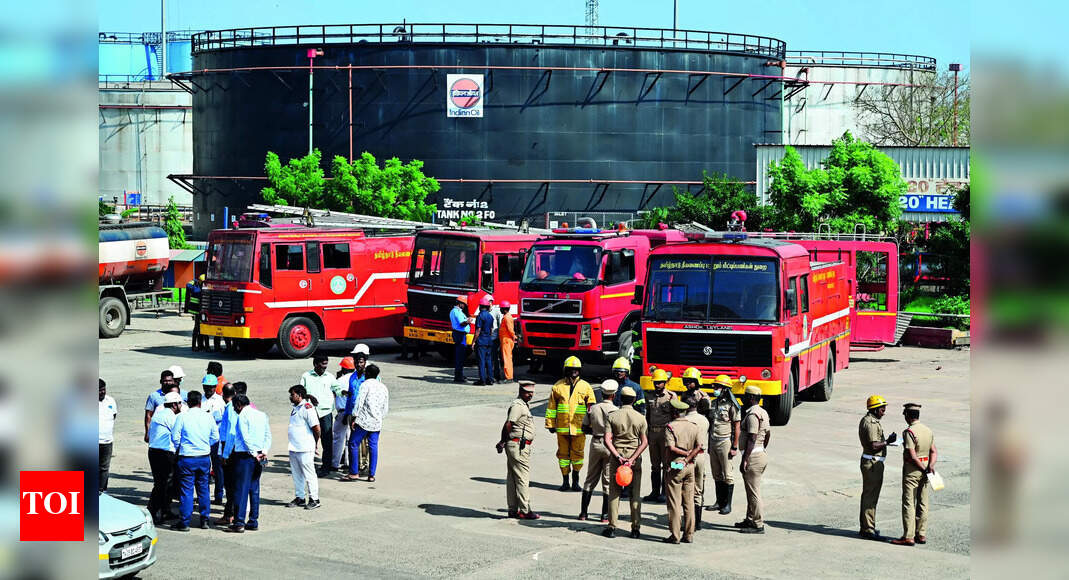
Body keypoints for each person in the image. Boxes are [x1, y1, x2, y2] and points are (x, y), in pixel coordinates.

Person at [603, 386, 649, 539]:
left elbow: (607, 440)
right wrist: (632, 458)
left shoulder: (612, 416)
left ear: (620, 399)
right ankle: (635, 528)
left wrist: (618, 456)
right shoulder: (640, 418)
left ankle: (611, 527)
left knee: (614, 493)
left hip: (617, 459)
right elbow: (644, 442)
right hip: (633, 459)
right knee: (635, 494)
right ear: (634, 400)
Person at [170, 391, 220, 531]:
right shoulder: (208, 417)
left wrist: (182, 447)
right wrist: (205, 445)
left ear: (188, 402)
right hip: (204, 457)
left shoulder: (182, 417)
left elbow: (175, 437)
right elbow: (215, 437)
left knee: (186, 490)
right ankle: (204, 519)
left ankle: (184, 521)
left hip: (187, 457)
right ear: (200, 402)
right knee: (203, 488)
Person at [545, 356, 596, 492]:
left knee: (578, 456)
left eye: (576, 369)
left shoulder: (586, 387)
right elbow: (551, 407)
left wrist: (591, 426)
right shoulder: (558, 386)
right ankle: (565, 481)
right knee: (563, 455)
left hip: (579, 428)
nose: (574, 371)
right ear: (566, 370)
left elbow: (592, 409)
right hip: (562, 428)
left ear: (579, 370)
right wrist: (550, 424)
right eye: (571, 369)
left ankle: (576, 481)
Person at [891, 403, 938, 546]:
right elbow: (934, 451)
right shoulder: (928, 430)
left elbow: (912, 455)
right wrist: (930, 466)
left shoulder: (909, 432)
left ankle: (908, 536)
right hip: (926, 469)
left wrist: (922, 468)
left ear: (907, 416)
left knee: (909, 503)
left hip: (913, 470)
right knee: (923, 502)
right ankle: (921, 534)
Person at [225, 394, 271, 533]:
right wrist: (263, 451)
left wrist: (253, 453)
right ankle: (253, 520)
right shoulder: (262, 415)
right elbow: (267, 435)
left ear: (239, 405)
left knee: (241, 489)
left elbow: (245, 437)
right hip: (259, 453)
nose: (234, 410)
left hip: (245, 456)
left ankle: (239, 522)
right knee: (254, 488)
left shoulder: (242, 416)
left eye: (234, 407)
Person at [496, 381, 539, 520]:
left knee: (513, 478)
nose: (530, 395)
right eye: (528, 392)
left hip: (516, 445)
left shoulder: (522, 405)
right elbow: (509, 424)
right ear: (521, 391)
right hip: (518, 446)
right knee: (522, 478)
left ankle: (513, 509)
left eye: (532, 392)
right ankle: (525, 510)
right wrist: (502, 441)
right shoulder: (518, 406)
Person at [579, 379, 619, 521]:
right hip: (610, 446)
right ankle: (604, 515)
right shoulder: (616, 411)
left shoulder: (592, 409)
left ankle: (583, 513)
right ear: (613, 395)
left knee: (590, 478)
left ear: (601, 393)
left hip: (596, 443)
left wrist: (596, 431)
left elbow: (584, 428)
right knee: (607, 481)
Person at [664, 398, 702, 543]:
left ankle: (675, 536)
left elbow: (671, 448)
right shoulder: (694, 426)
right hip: (690, 465)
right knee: (689, 503)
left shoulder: (671, 427)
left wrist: (669, 464)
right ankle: (689, 534)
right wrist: (689, 457)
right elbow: (699, 446)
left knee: (674, 503)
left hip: (676, 465)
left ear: (674, 412)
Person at [342, 364, 389, 483]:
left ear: (367, 374)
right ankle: (371, 475)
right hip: (376, 422)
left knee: (353, 443)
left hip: (363, 421)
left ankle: (354, 473)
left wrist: (354, 417)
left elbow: (359, 402)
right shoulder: (383, 387)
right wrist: (379, 417)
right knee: (373, 446)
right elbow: (385, 407)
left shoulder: (365, 385)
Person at [859, 395, 897, 540]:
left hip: (873, 462)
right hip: (873, 464)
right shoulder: (871, 423)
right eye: (882, 409)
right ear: (874, 409)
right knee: (870, 496)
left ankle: (867, 526)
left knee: (870, 495)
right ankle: (868, 529)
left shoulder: (870, 420)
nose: (884, 412)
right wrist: (888, 441)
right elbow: (873, 445)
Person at [737, 385, 771, 534]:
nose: (743, 398)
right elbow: (768, 434)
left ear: (750, 398)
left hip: (753, 457)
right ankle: (750, 519)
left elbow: (752, 437)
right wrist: (762, 448)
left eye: (745, 396)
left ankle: (758, 524)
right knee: (750, 490)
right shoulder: (762, 412)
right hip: (759, 453)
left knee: (754, 492)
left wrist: (745, 458)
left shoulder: (752, 415)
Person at [706, 374, 741, 515]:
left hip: (725, 441)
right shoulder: (714, 403)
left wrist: (734, 446)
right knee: (716, 474)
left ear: (725, 389)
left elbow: (736, 426)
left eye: (717, 387)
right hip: (713, 441)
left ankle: (727, 504)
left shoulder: (732, 405)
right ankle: (719, 501)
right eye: (715, 386)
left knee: (728, 474)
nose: (715, 389)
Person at [147, 391, 182, 523]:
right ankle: (152, 510)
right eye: (179, 403)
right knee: (162, 484)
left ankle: (165, 510)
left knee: (165, 484)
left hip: (155, 451)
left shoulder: (160, 414)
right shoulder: (171, 417)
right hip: (164, 453)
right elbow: (177, 434)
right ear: (174, 404)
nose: (180, 406)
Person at [286, 385, 322, 510]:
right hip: (294, 447)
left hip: (305, 447)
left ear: (299, 395)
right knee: (297, 474)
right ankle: (300, 497)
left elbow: (316, 428)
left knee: (309, 474)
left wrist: (315, 443)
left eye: (293, 394)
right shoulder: (296, 408)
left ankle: (314, 498)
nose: (291, 397)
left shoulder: (308, 408)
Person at [300, 354, 335, 476]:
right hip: (310, 413)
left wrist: (344, 392)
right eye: (322, 365)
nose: (324, 367)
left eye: (326, 365)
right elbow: (300, 392)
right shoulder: (306, 376)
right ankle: (307, 466)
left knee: (327, 440)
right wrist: (309, 396)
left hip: (325, 413)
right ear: (315, 364)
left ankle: (326, 467)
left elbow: (338, 389)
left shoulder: (330, 377)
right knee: (309, 440)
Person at [644, 368, 675, 503]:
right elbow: (648, 415)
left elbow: (675, 416)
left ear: (665, 382)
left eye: (659, 382)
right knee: (654, 465)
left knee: (666, 464)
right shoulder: (649, 396)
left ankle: (664, 492)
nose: (657, 385)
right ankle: (654, 492)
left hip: (665, 433)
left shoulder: (671, 396)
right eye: (655, 382)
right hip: (653, 433)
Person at [343, 346, 372, 476]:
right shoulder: (352, 377)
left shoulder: (369, 377)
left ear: (365, 362)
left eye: (361, 362)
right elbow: (350, 396)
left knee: (365, 441)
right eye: (356, 362)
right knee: (354, 441)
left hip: (364, 414)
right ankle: (357, 464)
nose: (358, 364)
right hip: (352, 413)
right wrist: (347, 414)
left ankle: (365, 466)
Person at [685, 397, 711, 532]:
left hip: (687, 458)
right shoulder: (705, 420)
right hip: (701, 457)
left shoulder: (685, 421)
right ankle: (698, 522)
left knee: (686, 488)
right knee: (698, 489)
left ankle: (689, 521)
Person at [201, 375, 227, 505]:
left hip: (216, 440)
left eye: (212, 387)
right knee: (204, 469)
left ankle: (218, 495)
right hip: (202, 439)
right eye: (207, 387)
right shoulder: (200, 400)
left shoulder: (220, 401)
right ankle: (204, 496)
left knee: (218, 469)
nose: (209, 389)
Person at [331, 356, 356, 473]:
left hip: (342, 413)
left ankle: (334, 463)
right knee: (349, 439)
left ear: (344, 368)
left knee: (338, 439)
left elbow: (334, 396)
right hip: (353, 413)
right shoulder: (356, 379)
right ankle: (347, 462)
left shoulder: (339, 381)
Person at [217, 383, 237, 523]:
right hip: (230, 448)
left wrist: (225, 454)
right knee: (231, 485)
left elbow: (230, 434)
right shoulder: (233, 408)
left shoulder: (230, 409)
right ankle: (230, 513)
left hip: (228, 449)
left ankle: (229, 514)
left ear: (223, 395)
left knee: (230, 485)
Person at [144, 369, 180, 443]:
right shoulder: (154, 396)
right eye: (165, 381)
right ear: (161, 381)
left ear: (173, 381)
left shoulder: (181, 394)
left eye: (170, 380)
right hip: (159, 432)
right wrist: (148, 433)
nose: (168, 383)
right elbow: (148, 416)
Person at [98, 378, 117, 494]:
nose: (102, 392)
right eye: (99, 390)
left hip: (107, 441)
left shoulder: (111, 401)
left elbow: (113, 416)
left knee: (104, 468)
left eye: (103, 389)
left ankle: (102, 490)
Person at [472, 295, 495, 385]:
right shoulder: (490, 316)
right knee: (488, 360)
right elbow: (491, 329)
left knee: (481, 361)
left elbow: (478, 330)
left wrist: (473, 341)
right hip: (489, 341)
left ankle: (482, 380)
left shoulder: (480, 316)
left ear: (480, 307)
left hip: (481, 341)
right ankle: (490, 379)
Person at [450, 296, 471, 383]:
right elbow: (462, 323)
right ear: (460, 303)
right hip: (460, 335)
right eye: (463, 304)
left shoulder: (453, 311)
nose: (464, 306)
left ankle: (459, 375)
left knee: (459, 355)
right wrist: (468, 321)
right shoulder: (457, 312)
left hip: (458, 334)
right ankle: (458, 376)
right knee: (460, 356)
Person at [499, 301, 516, 382]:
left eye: (500, 308)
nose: (500, 309)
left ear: (504, 309)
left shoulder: (507, 317)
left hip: (507, 340)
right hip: (506, 340)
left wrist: (513, 337)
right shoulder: (507, 316)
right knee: (507, 358)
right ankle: (508, 376)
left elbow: (510, 330)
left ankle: (509, 377)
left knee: (507, 359)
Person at [490, 299, 504, 383]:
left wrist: (499, 338)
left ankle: (496, 375)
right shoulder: (485, 312)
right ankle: (491, 375)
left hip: (495, 339)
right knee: (490, 359)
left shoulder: (496, 311)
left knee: (495, 358)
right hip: (489, 339)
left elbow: (500, 325)